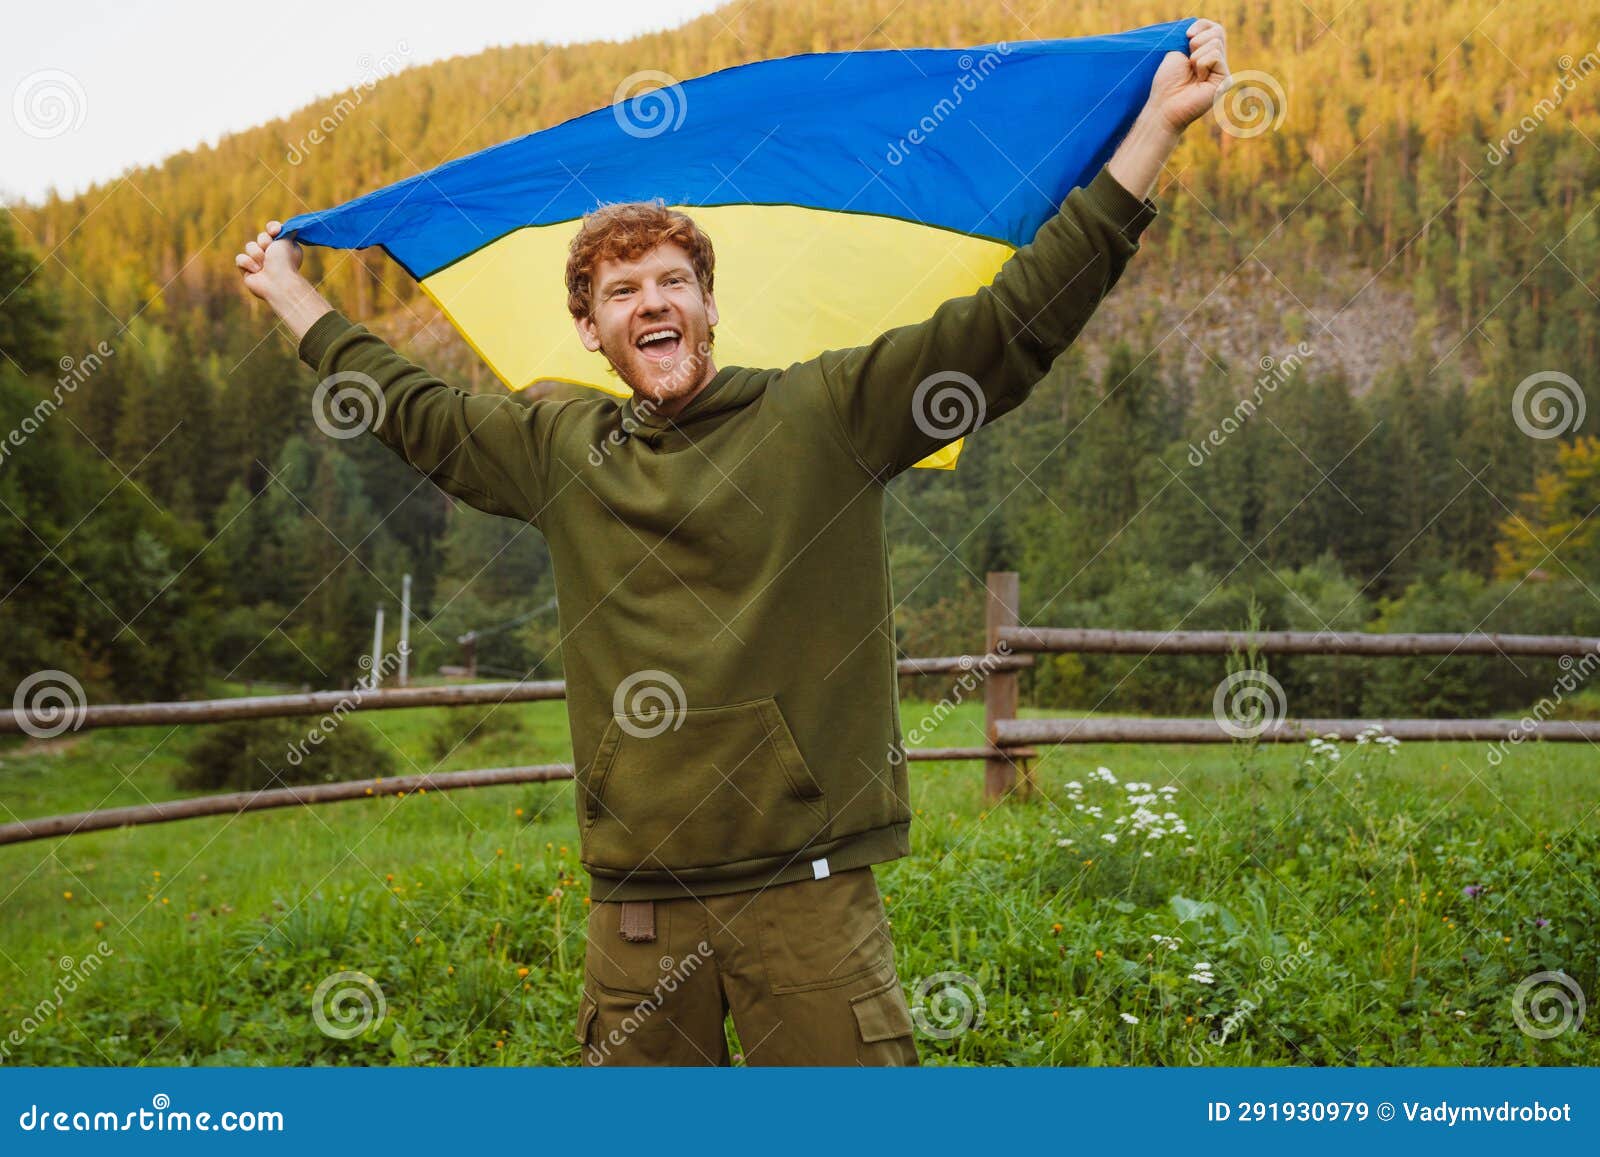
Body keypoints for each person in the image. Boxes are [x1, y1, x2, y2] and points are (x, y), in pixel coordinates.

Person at [235, 19, 1229, 1065]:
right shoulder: (557, 446)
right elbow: (416, 411)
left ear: (709, 303)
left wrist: (1148, 136)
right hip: (636, 906)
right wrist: (294, 293)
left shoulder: (828, 413)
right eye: (620, 291)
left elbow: (1007, 327)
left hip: (807, 894)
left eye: (671, 281)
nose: (650, 302)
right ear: (589, 330)